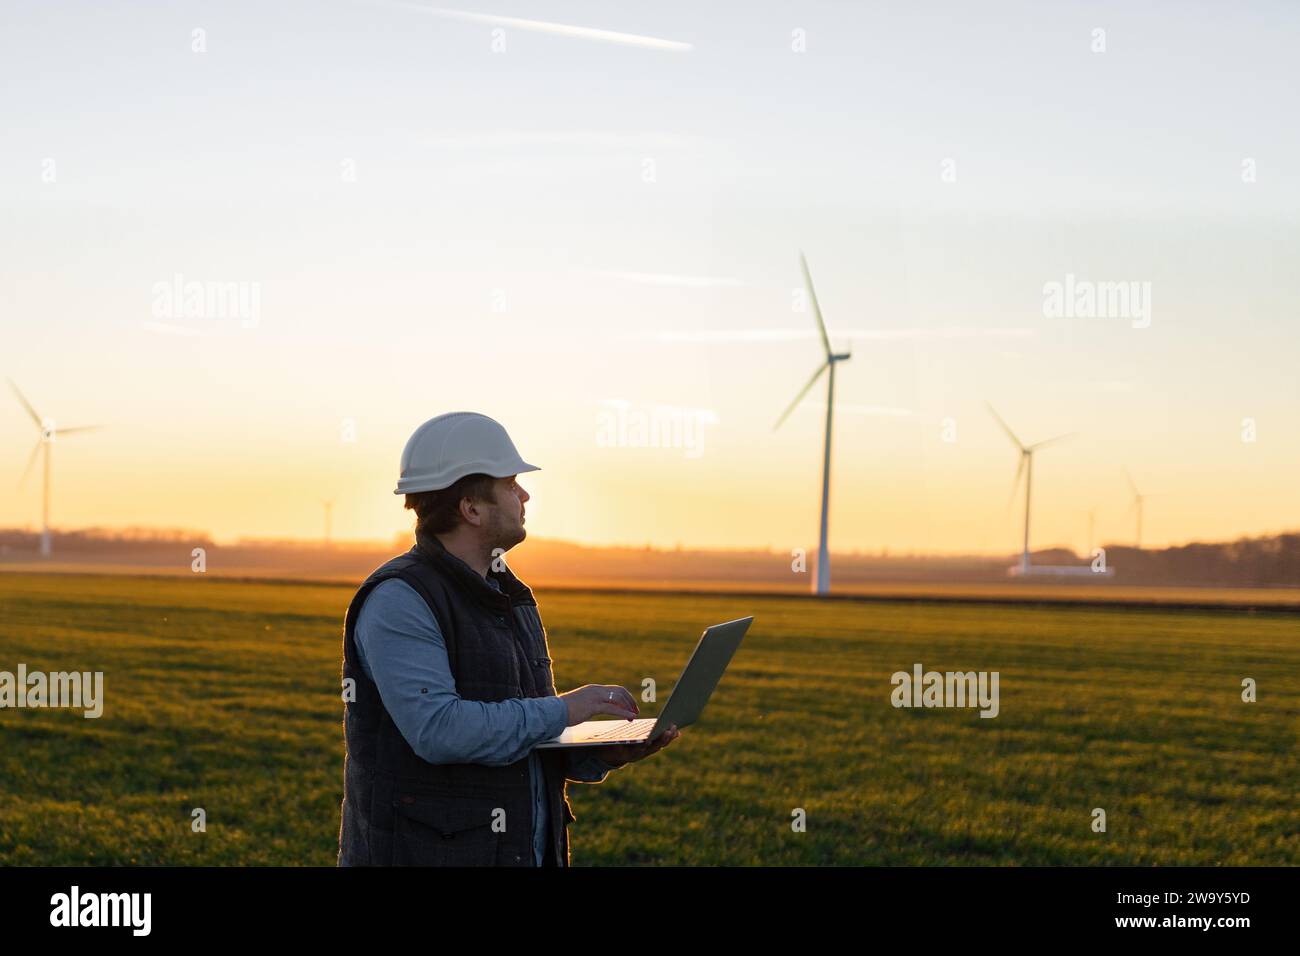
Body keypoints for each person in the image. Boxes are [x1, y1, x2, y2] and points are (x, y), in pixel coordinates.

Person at [337, 411, 679, 866]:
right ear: (471, 508)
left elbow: (522, 735)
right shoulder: (400, 599)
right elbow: (440, 732)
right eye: (511, 483)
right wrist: (567, 708)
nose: (525, 495)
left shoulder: (511, 596)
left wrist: (605, 751)